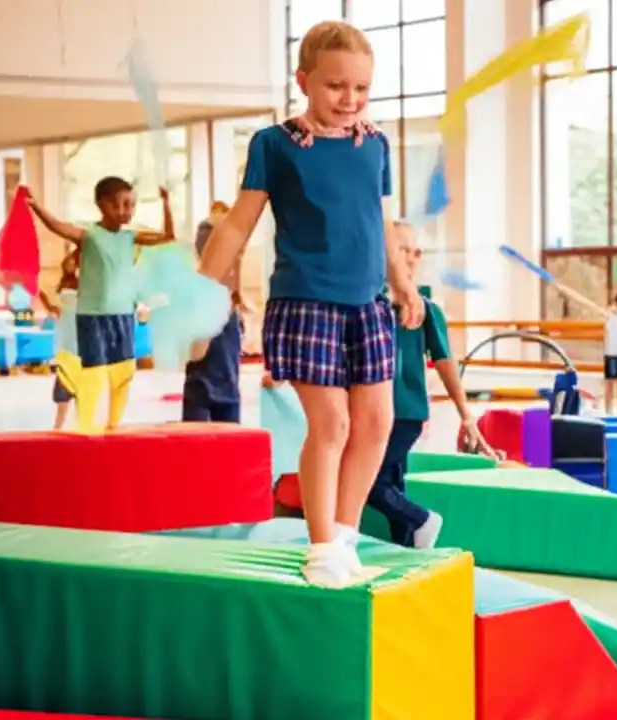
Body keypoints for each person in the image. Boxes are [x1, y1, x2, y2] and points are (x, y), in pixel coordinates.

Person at [198, 20, 423, 589]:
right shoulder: (274, 145)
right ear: (303, 80)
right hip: (306, 303)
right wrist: (205, 287)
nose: (349, 100)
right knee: (333, 424)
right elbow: (237, 226)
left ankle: (344, 539)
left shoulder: (374, 143)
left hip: (367, 304)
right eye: (335, 86)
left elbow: (384, 222)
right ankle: (320, 544)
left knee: (376, 423)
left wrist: (403, 282)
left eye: (361, 89)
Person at [369, 222, 496, 549]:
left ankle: (421, 520)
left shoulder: (425, 310)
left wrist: (466, 415)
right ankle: (407, 548)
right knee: (393, 484)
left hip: (405, 414)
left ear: (415, 257)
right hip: (374, 411)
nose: (396, 259)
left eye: (402, 251)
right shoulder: (372, 304)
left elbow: (445, 362)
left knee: (371, 483)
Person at [29, 180, 176, 432]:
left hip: (123, 315)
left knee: (123, 371)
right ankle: (87, 424)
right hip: (93, 315)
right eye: (119, 205)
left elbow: (168, 236)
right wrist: (36, 207)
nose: (125, 211)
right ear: (101, 205)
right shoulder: (89, 236)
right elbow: (58, 227)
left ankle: (113, 424)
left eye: (130, 205)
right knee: (94, 370)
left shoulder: (131, 237)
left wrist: (166, 203)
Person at [183, 230, 244, 423]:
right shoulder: (200, 300)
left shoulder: (233, 303)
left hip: (230, 392)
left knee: (230, 452)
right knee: (197, 451)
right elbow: (196, 353)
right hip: (202, 394)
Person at [39, 253, 80, 430]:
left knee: (82, 374)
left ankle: (82, 420)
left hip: (81, 330)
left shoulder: (87, 283)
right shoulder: (63, 284)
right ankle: (59, 424)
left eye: (73, 263)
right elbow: (52, 302)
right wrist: (48, 306)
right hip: (65, 332)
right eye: (68, 263)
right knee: (64, 373)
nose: (70, 266)